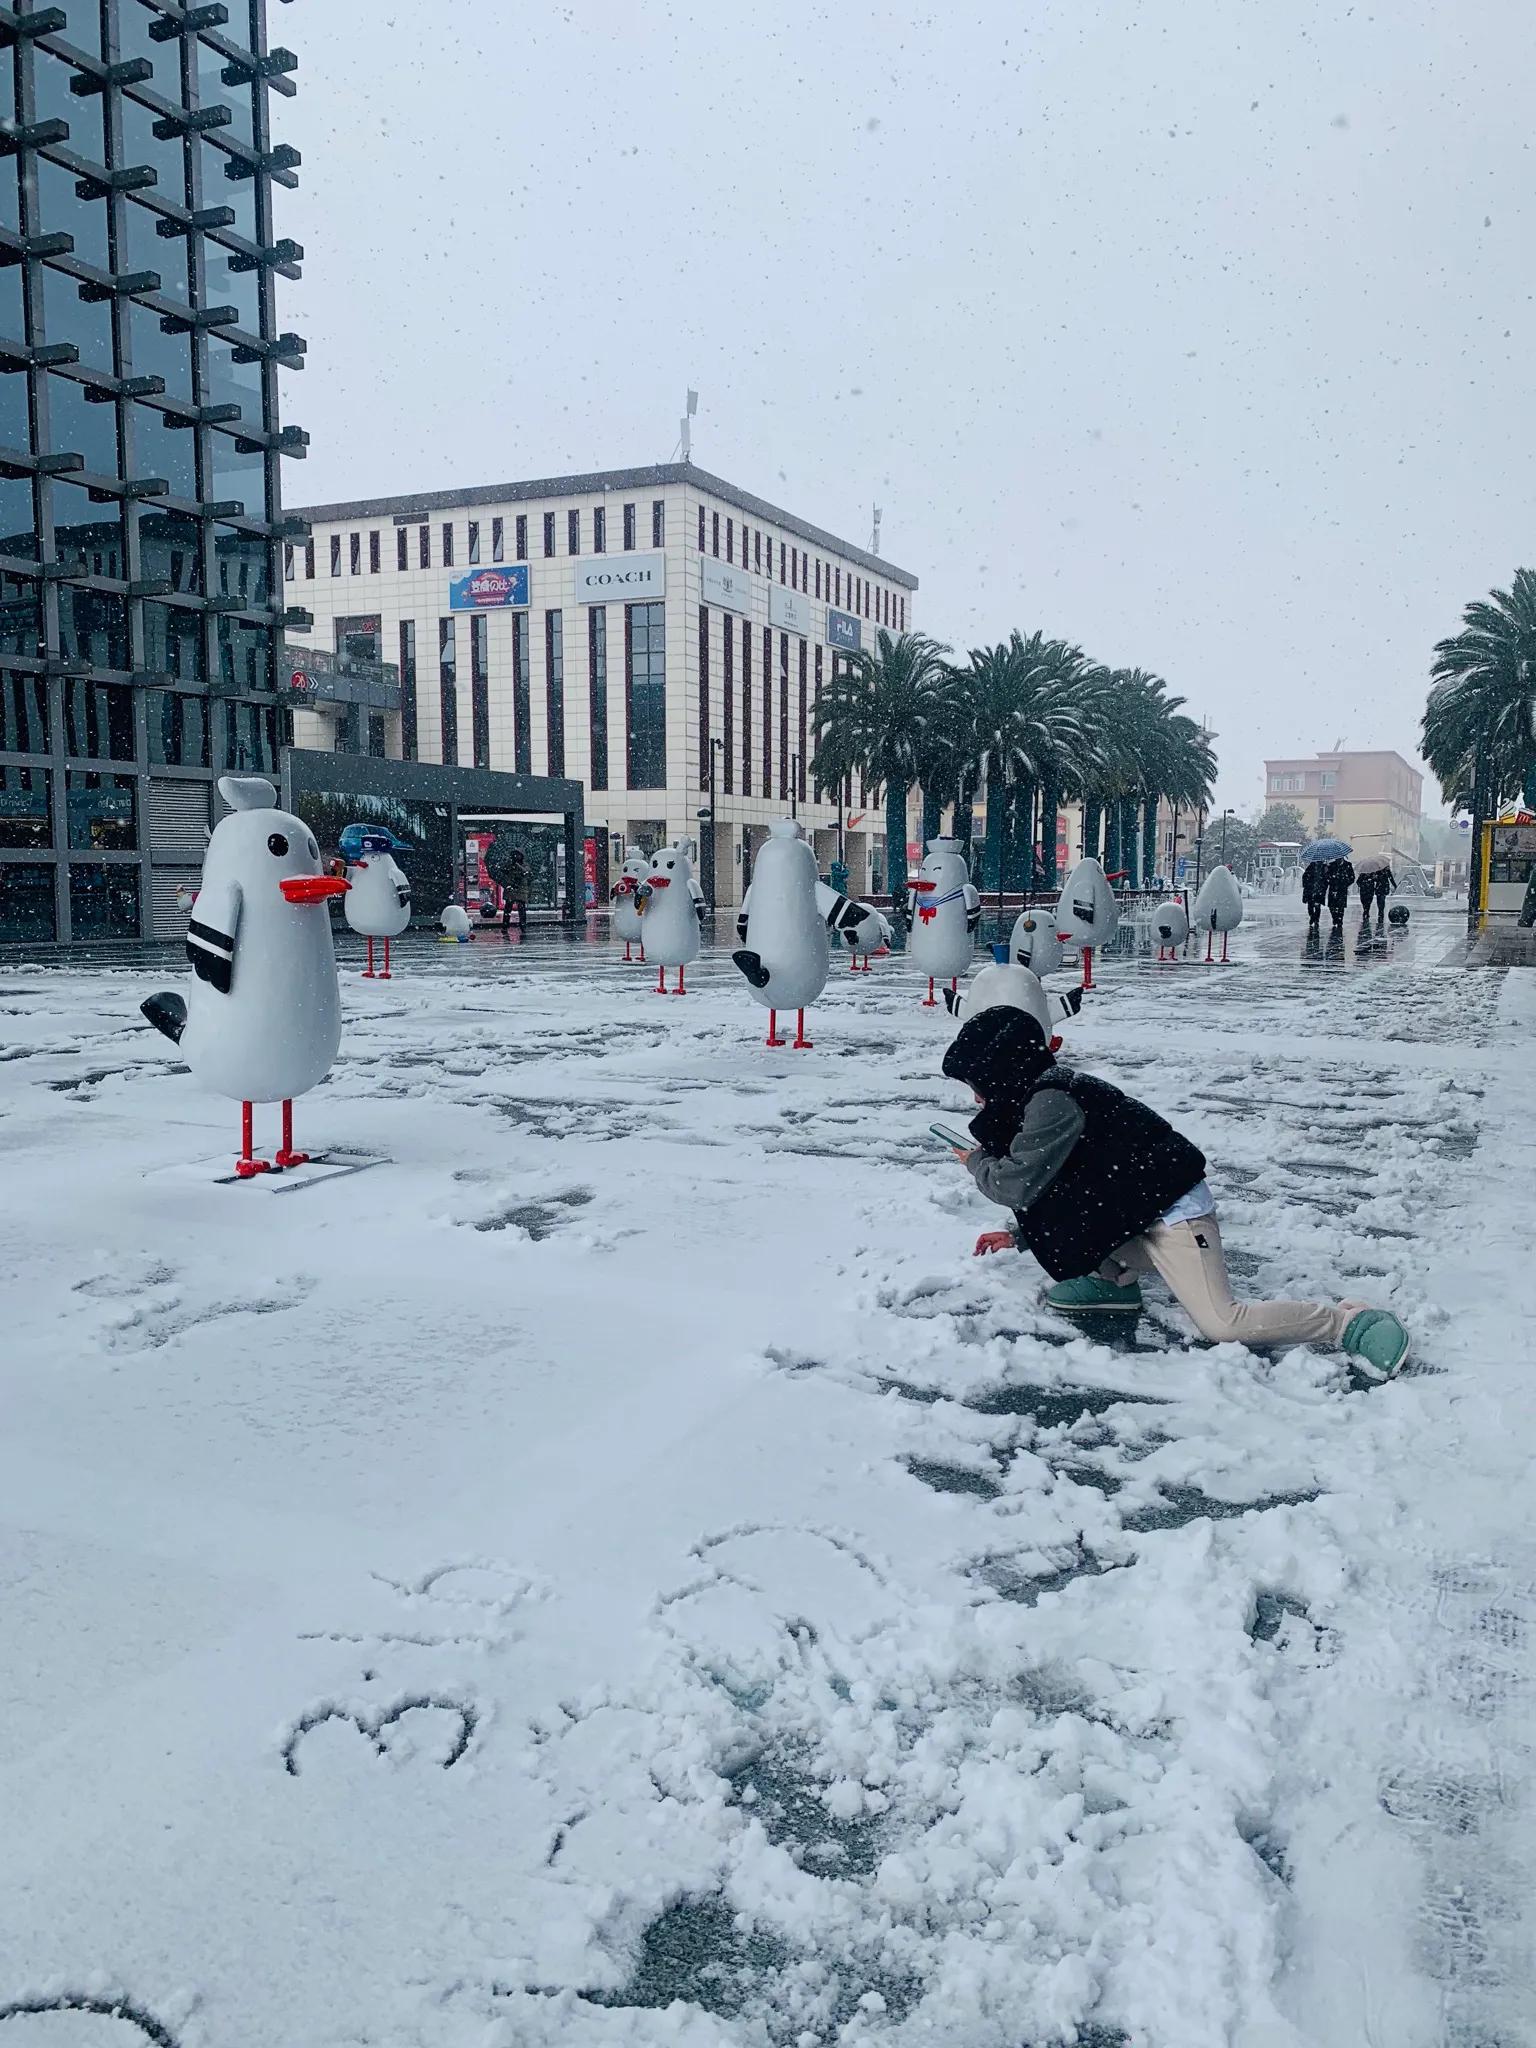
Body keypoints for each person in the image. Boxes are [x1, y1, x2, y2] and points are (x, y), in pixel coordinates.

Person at [940, 1006, 1410, 1379]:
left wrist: (975, 1160)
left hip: (1172, 1213)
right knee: (1075, 1222)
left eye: (978, 1084)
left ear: (1002, 1072)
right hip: (1131, 1210)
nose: (977, 1098)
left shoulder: (1051, 1102)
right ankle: (1114, 1281)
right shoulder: (1040, 1094)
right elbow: (1069, 1188)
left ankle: (1348, 1323)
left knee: (1221, 1323)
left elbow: (1015, 1183)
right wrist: (1017, 1235)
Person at [1324, 856, 1355, 928]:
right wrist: (1328, 876)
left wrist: (1345, 884)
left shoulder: (1348, 865)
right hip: (1333, 888)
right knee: (1331, 906)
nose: (1338, 859)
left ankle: (1340, 920)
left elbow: (1352, 877)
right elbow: (1327, 877)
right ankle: (1334, 917)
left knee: (1341, 906)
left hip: (1342, 889)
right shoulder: (1331, 865)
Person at [1301, 859, 1328, 928]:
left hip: (1319, 890)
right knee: (1311, 906)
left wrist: (1323, 886)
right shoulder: (1311, 866)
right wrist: (1307, 884)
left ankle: (1316, 919)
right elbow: (1305, 876)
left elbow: (1326, 879)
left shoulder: (1324, 867)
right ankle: (1313, 917)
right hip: (1311, 889)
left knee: (1317, 906)